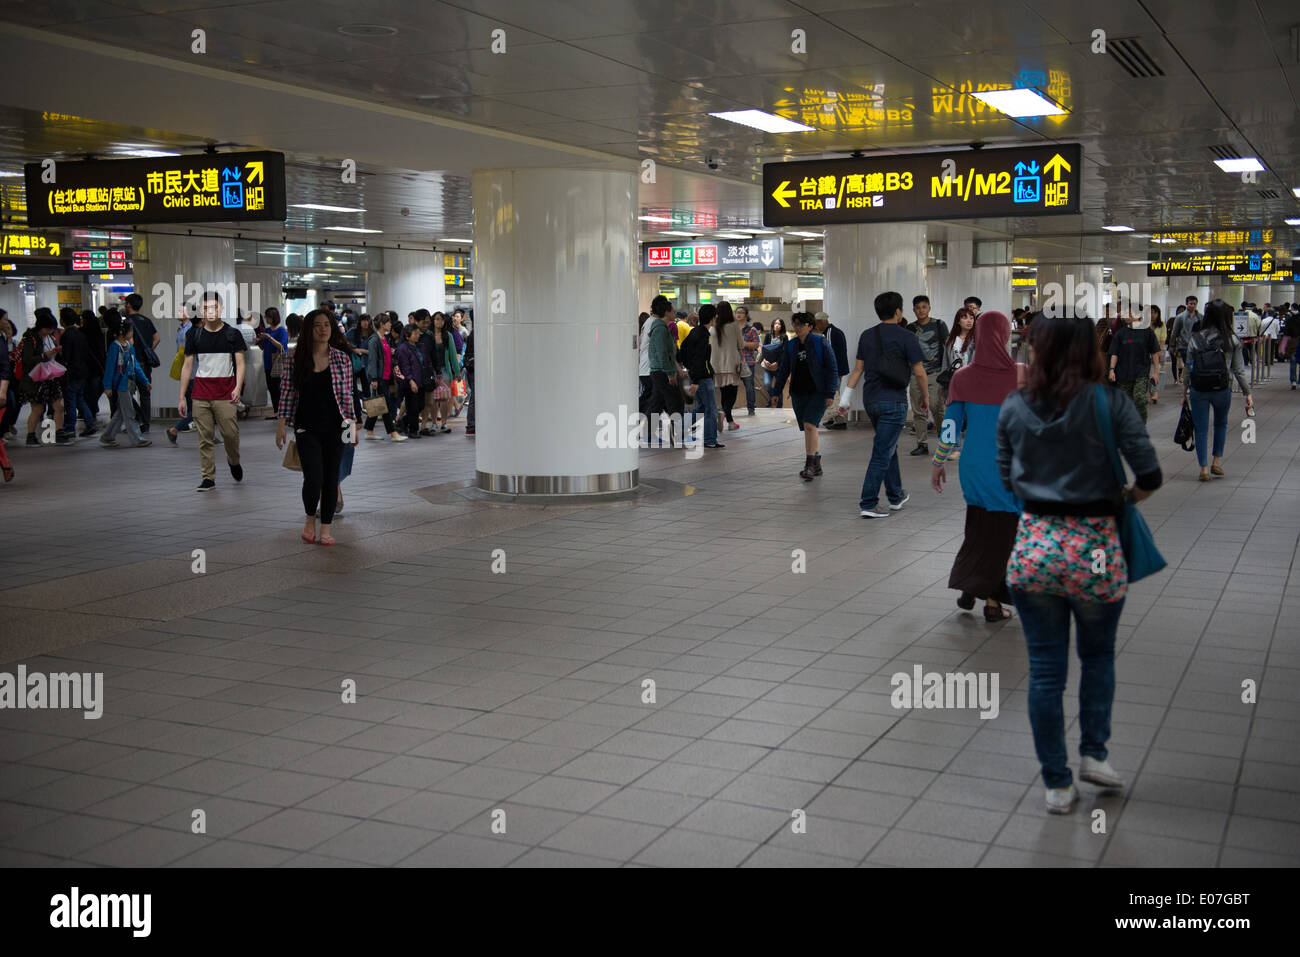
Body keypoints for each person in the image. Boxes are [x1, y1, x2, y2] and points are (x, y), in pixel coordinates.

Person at [997, 312, 1162, 814]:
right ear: (1091, 351)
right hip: (1095, 552)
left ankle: (1057, 784)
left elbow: (1008, 480)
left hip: (1035, 551)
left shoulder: (1013, 406)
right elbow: (1150, 474)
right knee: (1097, 658)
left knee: (1046, 673)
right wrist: (1120, 500)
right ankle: (1095, 755)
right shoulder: (1111, 403)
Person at [932, 311, 1024, 622]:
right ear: (1004, 337)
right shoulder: (1023, 375)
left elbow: (950, 427)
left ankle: (970, 586)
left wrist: (939, 460)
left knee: (979, 527)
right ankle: (993, 604)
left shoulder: (962, 377)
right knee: (1004, 535)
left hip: (973, 467)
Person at [838, 292, 927, 518]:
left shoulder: (867, 335)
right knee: (882, 452)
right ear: (898, 311)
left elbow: (858, 369)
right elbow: (919, 372)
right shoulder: (907, 336)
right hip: (894, 401)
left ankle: (896, 495)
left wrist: (845, 398)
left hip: (871, 400)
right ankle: (868, 503)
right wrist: (925, 397)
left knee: (888, 447)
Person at [276, 309, 355, 546]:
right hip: (306, 427)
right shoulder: (295, 358)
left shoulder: (342, 358)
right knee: (313, 478)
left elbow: (348, 396)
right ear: (309, 330)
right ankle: (310, 519)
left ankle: (327, 528)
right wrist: (281, 424)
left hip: (337, 427)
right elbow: (287, 393)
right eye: (318, 325)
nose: (323, 329)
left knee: (332, 478)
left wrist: (353, 428)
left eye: (327, 325)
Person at [176, 291, 246, 492]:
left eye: (214, 307)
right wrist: (182, 397)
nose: (210, 311)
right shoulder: (194, 334)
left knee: (230, 434)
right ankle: (208, 477)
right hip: (201, 394)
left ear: (221, 309)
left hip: (225, 394)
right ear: (201, 311)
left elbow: (240, 363)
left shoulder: (232, 334)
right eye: (206, 308)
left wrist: (237, 387)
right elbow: (187, 366)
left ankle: (234, 461)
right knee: (204, 437)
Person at [1183, 299, 1252, 482]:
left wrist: (1185, 390)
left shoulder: (1195, 339)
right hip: (1223, 388)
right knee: (1221, 424)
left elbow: (1188, 367)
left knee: (1201, 428)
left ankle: (1203, 469)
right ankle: (1216, 462)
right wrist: (1248, 393)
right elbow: (1238, 370)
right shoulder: (1231, 339)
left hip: (1199, 388)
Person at [771, 312, 838, 480]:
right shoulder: (792, 345)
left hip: (818, 392)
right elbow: (784, 369)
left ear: (810, 326)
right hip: (799, 392)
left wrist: (830, 393)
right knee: (807, 428)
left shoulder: (820, 342)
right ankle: (816, 462)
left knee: (810, 425)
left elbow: (832, 368)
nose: (797, 328)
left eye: (801, 324)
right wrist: (776, 391)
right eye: (795, 324)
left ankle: (809, 465)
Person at [18, 309, 70, 446]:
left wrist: (55, 352)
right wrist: (44, 355)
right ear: (41, 327)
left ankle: (59, 433)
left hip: (51, 377)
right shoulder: (30, 339)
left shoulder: (50, 337)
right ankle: (30, 436)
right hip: (35, 379)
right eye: (47, 329)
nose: (49, 331)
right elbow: (28, 359)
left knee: (59, 406)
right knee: (38, 409)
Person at [906, 295, 949, 456]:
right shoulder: (910, 329)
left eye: (924, 307)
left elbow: (948, 347)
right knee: (918, 410)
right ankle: (922, 443)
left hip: (935, 373)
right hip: (916, 374)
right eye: (918, 308)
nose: (921, 310)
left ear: (929, 308)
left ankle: (943, 441)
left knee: (937, 408)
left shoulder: (939, 325)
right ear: (914, 310)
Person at [99, 320, 152, 448]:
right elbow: (110, 368)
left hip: (128, 384)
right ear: (124, 332)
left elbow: (135, 366)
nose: (132, 333)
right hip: (122, 386)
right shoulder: (115, 347)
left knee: (121, 413)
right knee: (129, 412)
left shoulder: (128, 346)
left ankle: (107, 436)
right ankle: (137, 439)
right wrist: (107, 386)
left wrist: (145, 381)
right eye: (131, 331)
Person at [1106, 307, 1161, 423]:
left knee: (1140, 398)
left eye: (1130, 313)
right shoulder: (1120, 333)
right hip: (1123, 374)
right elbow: (1114, 353)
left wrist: (1156, 372)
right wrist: (1111, 370)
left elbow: (1155, 353)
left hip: (1141, 373)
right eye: (1126, 313)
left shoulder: (1147, 332)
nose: (1127, 315)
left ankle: (1141, 424)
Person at [681, 304, 722, 449]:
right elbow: (700, 358)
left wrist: (689, 369)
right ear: (712, 318)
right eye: (715, 316)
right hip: (702, 378)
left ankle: (680, 426)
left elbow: (682, 352)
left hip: (699, 375)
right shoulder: (703, 335)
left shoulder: (695, 332)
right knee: (710, 408)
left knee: (704, 407)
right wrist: (696, 379)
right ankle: (710, 439)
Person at [646, 295, 685, 444]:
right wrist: (670, 374)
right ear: (667, 312)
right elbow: (662, 353)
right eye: (672, 310)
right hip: (662, 372)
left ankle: (647, 433)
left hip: (658, 371)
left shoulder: (660, 327)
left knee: (656, 403)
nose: (674, 312)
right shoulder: (661, 329)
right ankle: (676, 436)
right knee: (676, 402)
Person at [363, 313, 404, 441]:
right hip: (379, 377)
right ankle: (393, 433)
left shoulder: (384, 338)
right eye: (388, 322)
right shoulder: (374, 340)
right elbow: (373, 360)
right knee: (385, 405)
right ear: (381, 324)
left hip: (386, 376)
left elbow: (386, 357)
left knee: (379, 404)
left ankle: (369, 431)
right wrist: (374, 378)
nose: (390, 324)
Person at [122, 293, 159, 434]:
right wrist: (148, 351)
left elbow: (125, 342)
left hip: (132, 363)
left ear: (128, 305)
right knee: (145, 394)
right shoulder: (146, 320)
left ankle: (138, 418)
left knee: (126, 393)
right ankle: (146, 424)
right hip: (145, 363)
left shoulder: (126, 322)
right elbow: (157, 338)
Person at [58, 308, 97, 440]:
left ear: (62, 320)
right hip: (83, 371)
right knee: (80, 399)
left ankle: (69, 429)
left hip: (72, 373)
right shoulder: (80, 334)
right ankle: (90, 424)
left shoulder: (67, 336)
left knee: (70, 401)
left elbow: (66, 357)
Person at [711, 301, 744, 433]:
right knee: (732, 394)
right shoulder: (734, 325)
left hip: (716, 366)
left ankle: (730, 421)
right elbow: (741, 345)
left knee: (724, 393)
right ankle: (725, 415)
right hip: (731, 365)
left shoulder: (712, 327)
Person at [427, 311, 462, 432]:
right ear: (433, 320)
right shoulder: (428, 335)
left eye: (441, 319)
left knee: (444, 398)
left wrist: (457, 373)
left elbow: (453, 355)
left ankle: (444, 423)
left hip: (445, 370)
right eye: (437, 319)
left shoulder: (448, 336)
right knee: (433, 399)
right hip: (431, 371)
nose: (439, 322)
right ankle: (433, 423)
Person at [814, 311, 849, 429]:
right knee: (833, 393)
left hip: (835, 370)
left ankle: (840, 421)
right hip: (838, 369)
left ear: (822, 322)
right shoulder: (834, 332)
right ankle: (832, 418)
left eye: (817, 323)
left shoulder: (830, 333)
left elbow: (830, 355)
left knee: (833, 394)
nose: (816, 326)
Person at [395, 322, 427, 439]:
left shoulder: (419, 346)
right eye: (415, 334)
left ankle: (402, 422)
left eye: (418, 333)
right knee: (412, 407)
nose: (417, 335)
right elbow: (405, 366)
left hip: (420, 381)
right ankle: (413, 431)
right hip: (410, 382)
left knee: (420, 405)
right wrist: (410, 380)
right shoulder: (403, 349)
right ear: (407, 336)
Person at [257, 306, 289, 416]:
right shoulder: (267, 330)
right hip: (268, 363)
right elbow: (264, 347)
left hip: (278, 363)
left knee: (279, 388)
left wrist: (269, 338)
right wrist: (259, 341)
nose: (266, 319)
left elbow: (282, 347)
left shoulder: (282, 330)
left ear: (273, 317)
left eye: (268, 317)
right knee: (271, 388)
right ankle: (276, 412)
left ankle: (282, 412)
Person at [761, 317, 788, 406]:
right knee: (767, 384)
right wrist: (765, 360)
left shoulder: (784, 337)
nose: (777, 325)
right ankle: (773, 397)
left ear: (782, 326)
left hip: (778, 366)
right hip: (767, 365)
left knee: (778, 386)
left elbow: (785, 352)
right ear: (773, 325)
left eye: (779, 324)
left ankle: (779, 405)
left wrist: (777, 363)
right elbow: (764, 348)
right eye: (776, 323)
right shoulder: (768, 335)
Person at [739, 306, 760, 416]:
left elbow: (756, 344)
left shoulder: (752, 329)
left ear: (746, 315)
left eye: (741, 312)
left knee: (749, 386)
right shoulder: (732, 329)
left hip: (747, 361)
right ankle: (727, 407)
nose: (738, 314)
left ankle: (751, 408)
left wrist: (743, 344)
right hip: (733, 361)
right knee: (730, 386)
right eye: (737, 312)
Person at [1148, 305, 1165, 404]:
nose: (1152, 314)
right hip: (1146, 352)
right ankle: (1152, 393)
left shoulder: (1161, 325)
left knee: (1157, 372)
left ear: (1158, 314)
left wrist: (1161, 351)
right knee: (1149, 373)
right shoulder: (1144, 324)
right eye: (1150, 312)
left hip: (1158, 351)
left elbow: (1163, 339)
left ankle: (1155, 394)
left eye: (1154, 312)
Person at [637, 311, 653, 417]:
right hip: (647, 369)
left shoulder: (640, 334)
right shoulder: (650, 326)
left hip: (642, 368)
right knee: (649, 394)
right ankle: (639, 412)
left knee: (649, 394)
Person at [463, 322, 476, 437]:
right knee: (475, 396)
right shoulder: (477, 333)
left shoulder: (474, 332)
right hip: (474, 367)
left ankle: (472, 425)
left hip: (472, 367)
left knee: (475, 396)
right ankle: (471, 425)